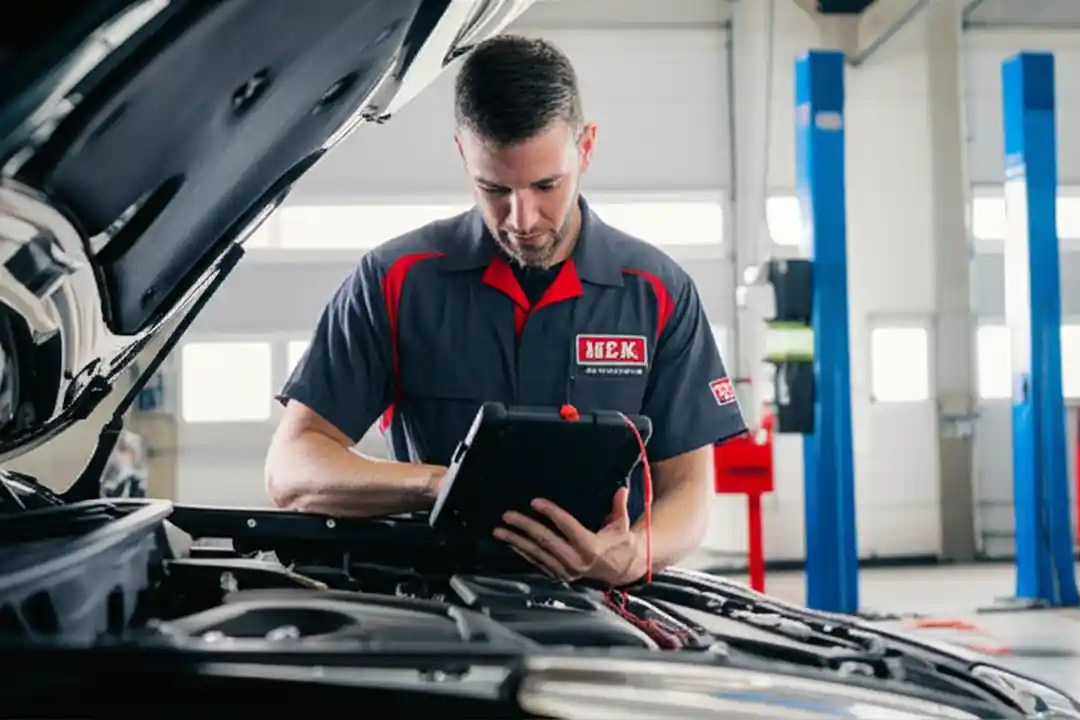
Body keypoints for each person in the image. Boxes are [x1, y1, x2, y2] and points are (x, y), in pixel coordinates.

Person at [264, 34, 747, 587]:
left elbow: (690, 489)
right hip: (439, 609)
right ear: (462, 155)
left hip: (602, 615)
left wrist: (635, 553)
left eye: (546, 185)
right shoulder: (396, 283)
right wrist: (438, 483)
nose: (522, 218)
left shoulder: (658, 293)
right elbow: (292, 469)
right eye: (494, 188)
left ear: (585, 149)